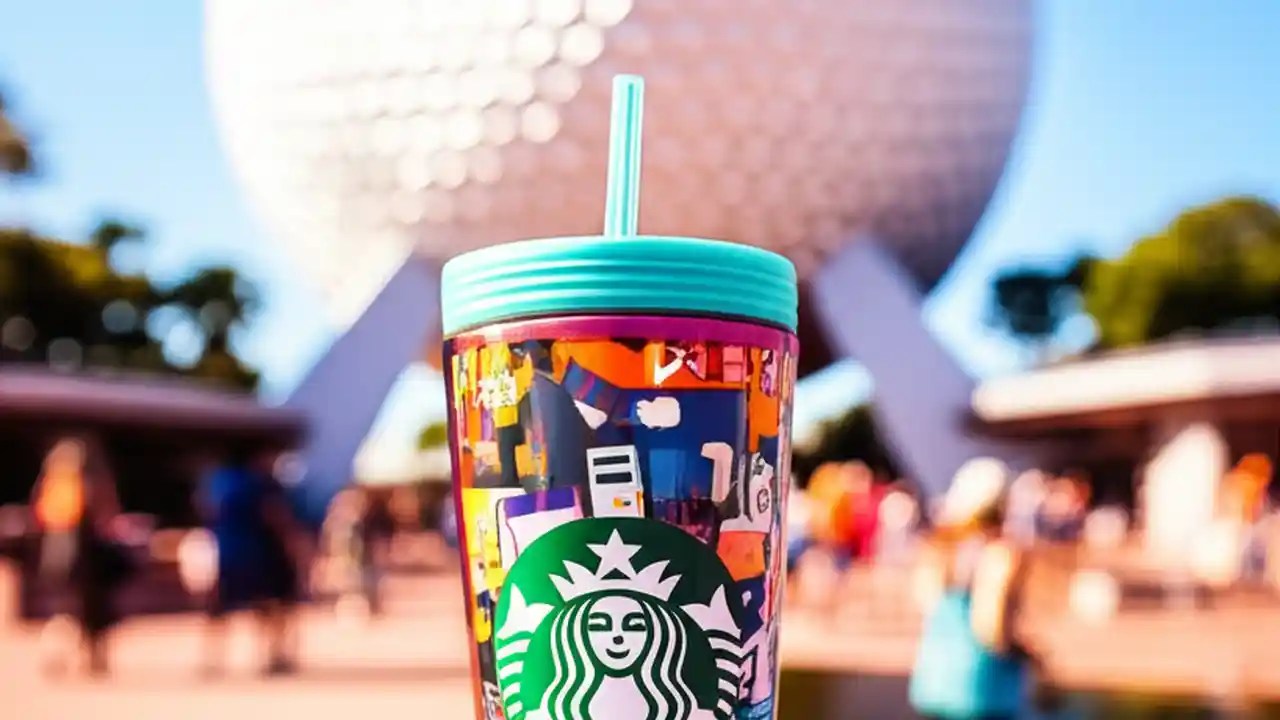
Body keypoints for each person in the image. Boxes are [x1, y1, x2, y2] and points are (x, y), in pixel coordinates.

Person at [909, 457, 1038, 720]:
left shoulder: (939, 548)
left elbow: (925, 605)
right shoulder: (1002, 552)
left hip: (933, 680)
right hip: (982, 688)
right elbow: (991, 627)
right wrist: (1029, 656)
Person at [199, 445, 305, 677]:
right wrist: (294, 547)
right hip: (257, 552)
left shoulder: (218, 481)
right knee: (266, 604)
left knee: (220, 608)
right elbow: (276, 516)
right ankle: (274, 655)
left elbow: (206, 510)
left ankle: (212, 660)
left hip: (227, 551)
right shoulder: (261, 483)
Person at [31, 437, 130, 677]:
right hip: (85, 564)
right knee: (88, 612)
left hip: (59, 562)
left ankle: (63, 655)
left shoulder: (51, 486)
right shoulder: (86, 486)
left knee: (64, 611)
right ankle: (90, 658)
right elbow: (106, 521)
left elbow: (39, 519)